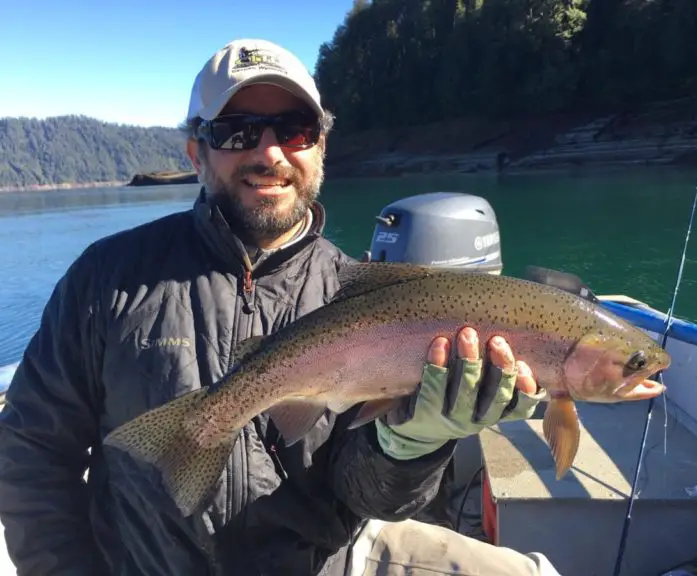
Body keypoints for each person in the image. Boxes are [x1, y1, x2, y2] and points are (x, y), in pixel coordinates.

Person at [0, 38, 556, 576]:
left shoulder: (359, 294)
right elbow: (30, 456)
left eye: (295, 129)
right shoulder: (106, 279)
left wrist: (412, 443)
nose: (270, 153)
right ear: (196, 153)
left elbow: (367, 498)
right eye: (237, 131)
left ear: (320, 147)